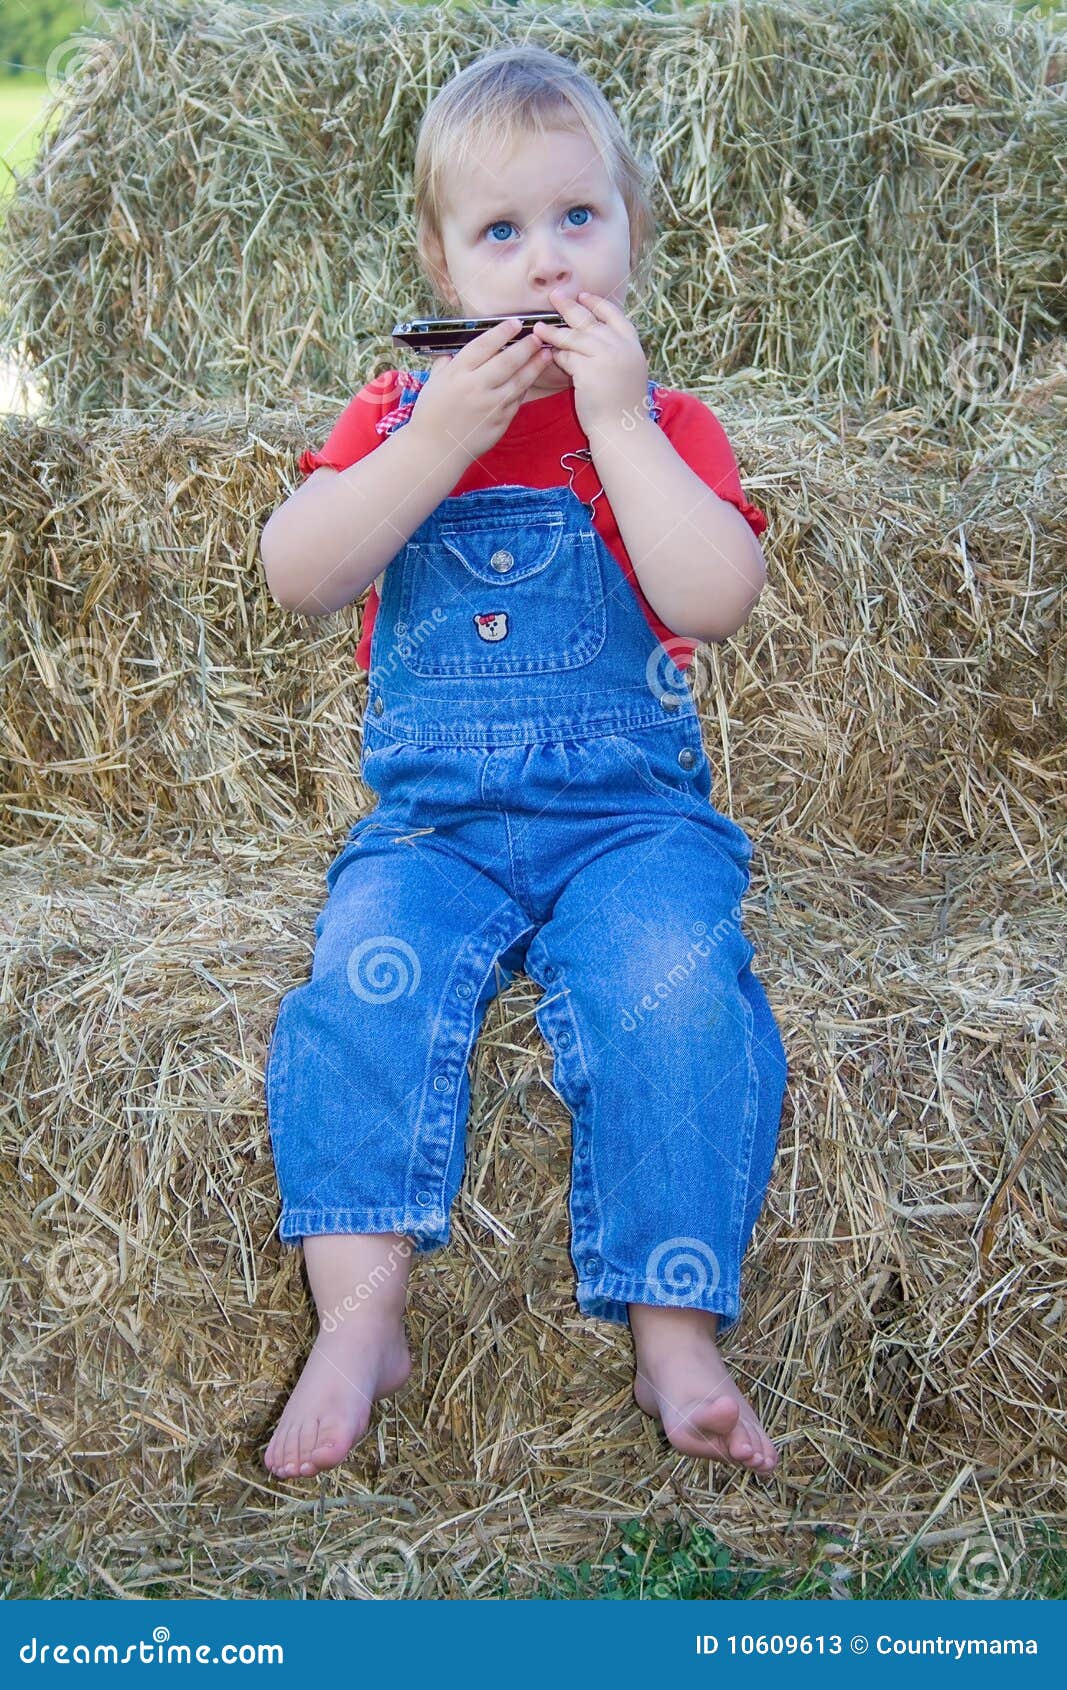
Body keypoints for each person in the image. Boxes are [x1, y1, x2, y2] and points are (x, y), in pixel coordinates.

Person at [259, 44, 788, 1481]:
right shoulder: (395, 417)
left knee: (677, 992)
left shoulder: (665, 425)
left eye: (578, 222)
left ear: (633, 235)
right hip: (435, 830)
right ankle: (359, 1317)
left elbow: (713, 595)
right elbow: (297, 569)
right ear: (440, 259)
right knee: (358, 990)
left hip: (631, 828)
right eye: (501, 233)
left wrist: (616, 424)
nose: (545, 263)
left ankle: (676, 1329)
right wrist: (432, 446)